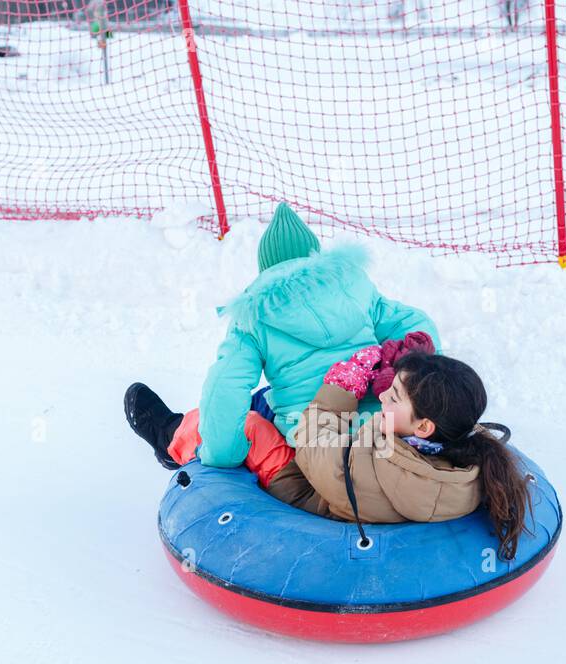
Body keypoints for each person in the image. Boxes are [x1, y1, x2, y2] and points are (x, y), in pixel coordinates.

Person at [127, 350, 534, 561]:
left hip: (312, 492)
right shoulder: (466, 453)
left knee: (251, 423)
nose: (384, 394)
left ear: (423, 426)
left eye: (393, 395)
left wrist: (342, 387)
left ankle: (172, 438)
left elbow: (312, 445)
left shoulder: (380, 467)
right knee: (274, 404)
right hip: (344, 477)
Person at [170, 202, 439, 470]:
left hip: (314, 440)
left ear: (265, 267)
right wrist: (417, 390)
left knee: (237, 412)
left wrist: (223, 456)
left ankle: (171, 433)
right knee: (263, 397)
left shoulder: (253, 315)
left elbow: (225, 385)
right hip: (380, 422)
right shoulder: (354, 285)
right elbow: (415, 324)